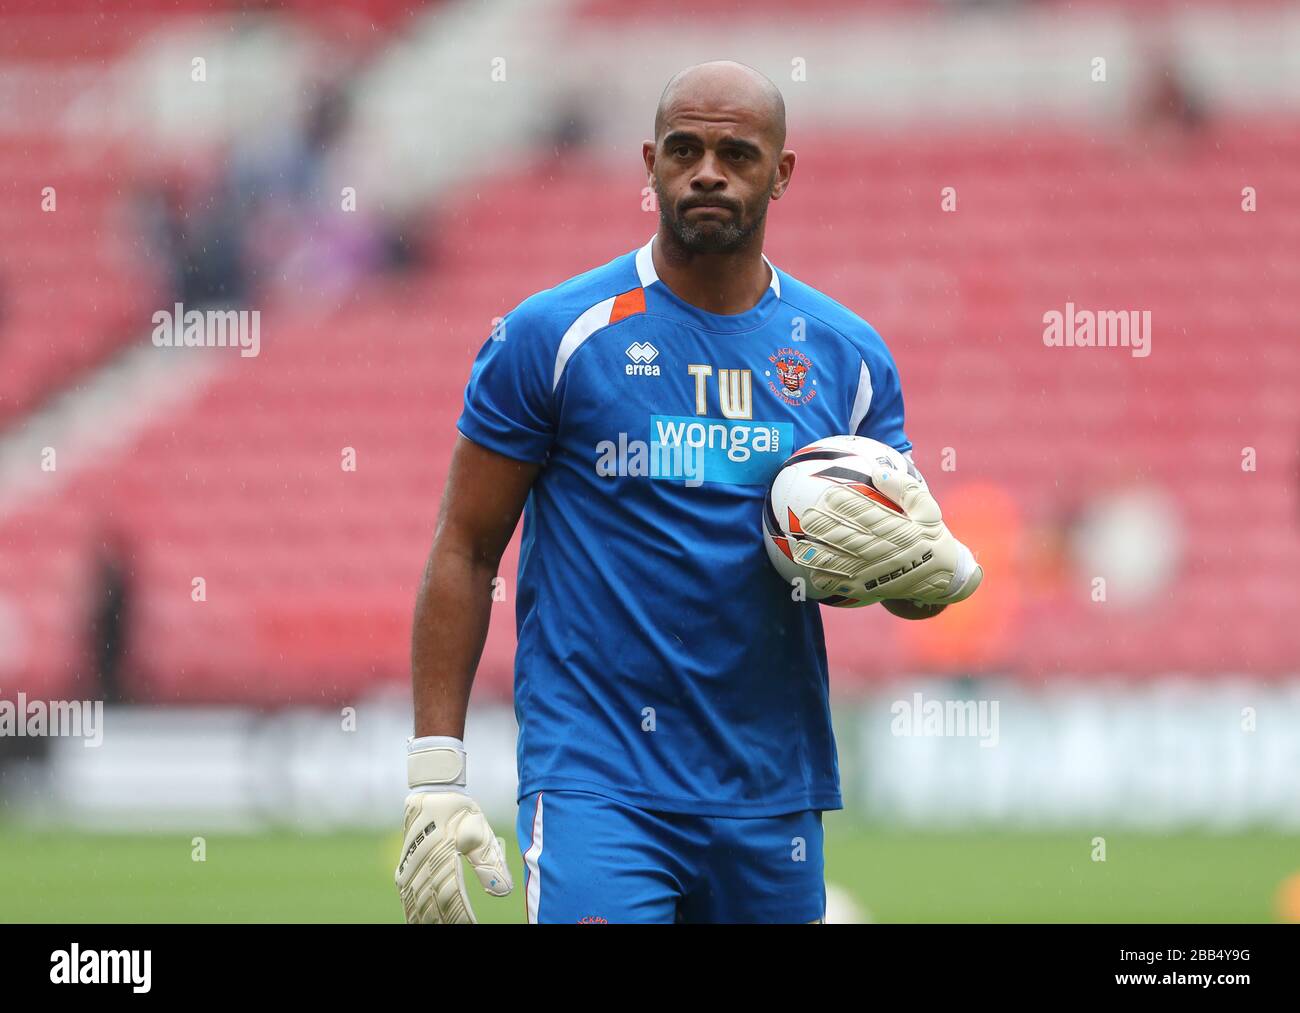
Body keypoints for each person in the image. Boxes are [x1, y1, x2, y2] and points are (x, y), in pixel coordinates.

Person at [395, 61, 982, 924]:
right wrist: (435, 777)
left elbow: (896, 568)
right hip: (599, 777)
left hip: (771, 784)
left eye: (738, 153)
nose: (708, 171)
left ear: (782, 173)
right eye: (685, 149)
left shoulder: (847, 358)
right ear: (650, 162)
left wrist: (932, 577)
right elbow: (466, 545)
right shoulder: (552, 336)